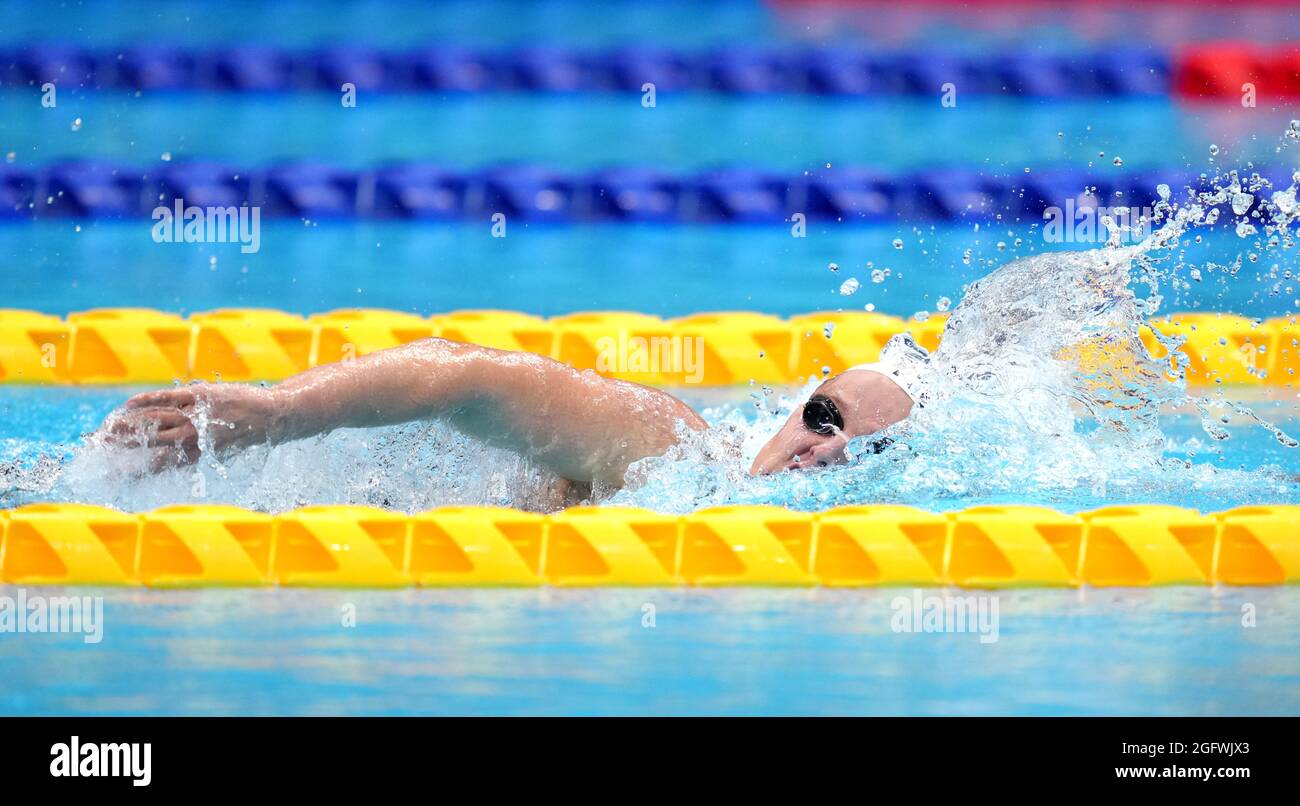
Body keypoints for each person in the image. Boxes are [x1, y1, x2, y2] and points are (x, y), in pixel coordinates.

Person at [99, 330, 927, 498]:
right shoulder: (675, 453)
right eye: (824, 415)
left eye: (861, 448)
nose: (825, 447)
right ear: (793, 405)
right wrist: (277, 413)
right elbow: (465, 375)